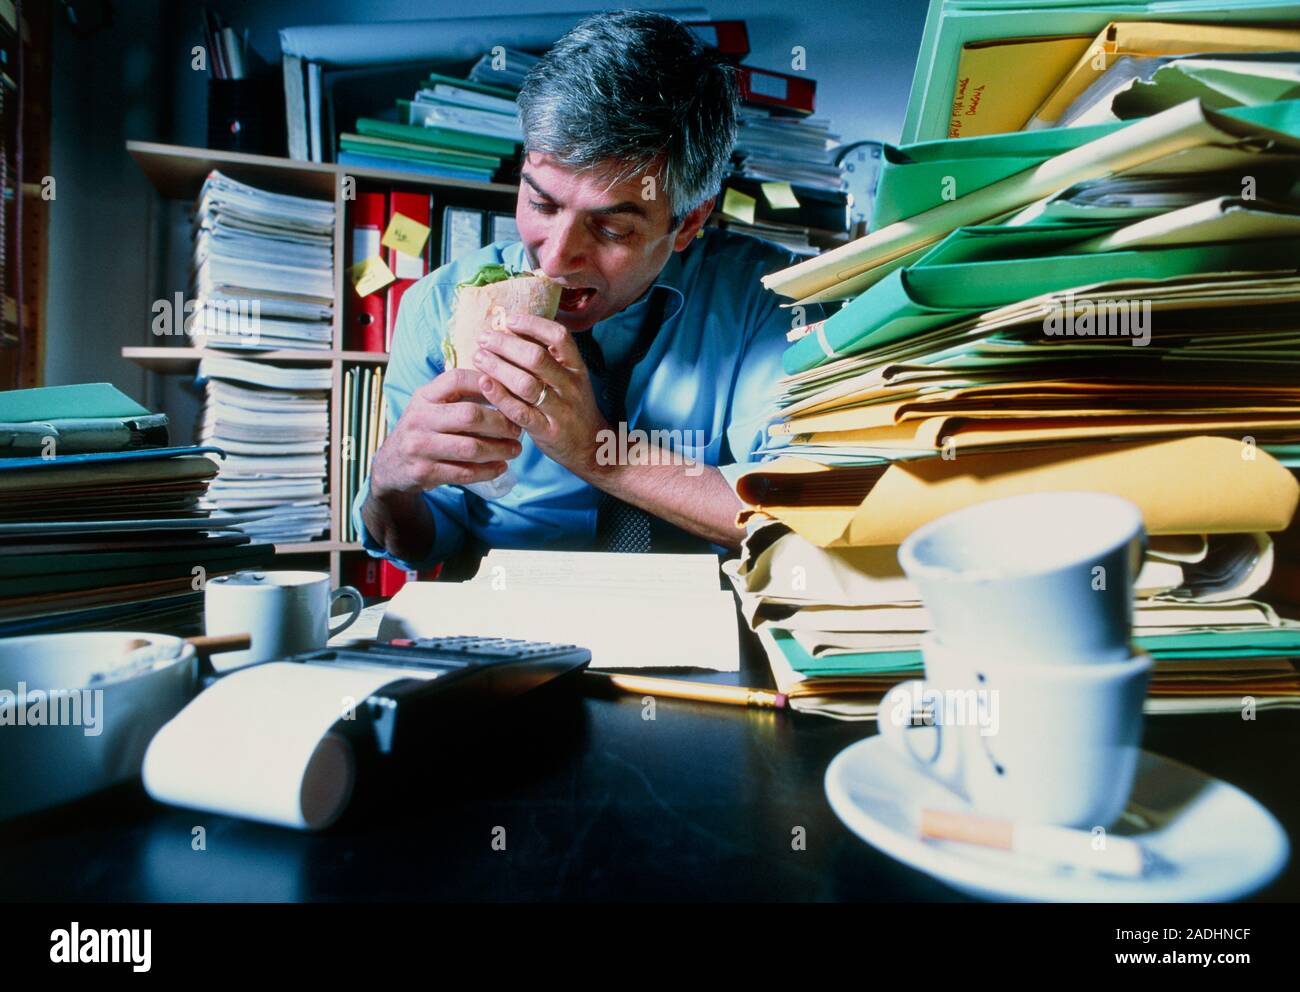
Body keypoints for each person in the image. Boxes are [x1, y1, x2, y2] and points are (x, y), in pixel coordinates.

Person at [355, 9, 825, 572]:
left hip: (709, 631)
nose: (554, 258)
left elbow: (796, 514)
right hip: (508, 631)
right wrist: (388, 485)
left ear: (690, 222)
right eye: (541, 204)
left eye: (611, 228)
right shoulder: (435, 306)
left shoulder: (770, 300)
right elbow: (429, 543)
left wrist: (597, 453)